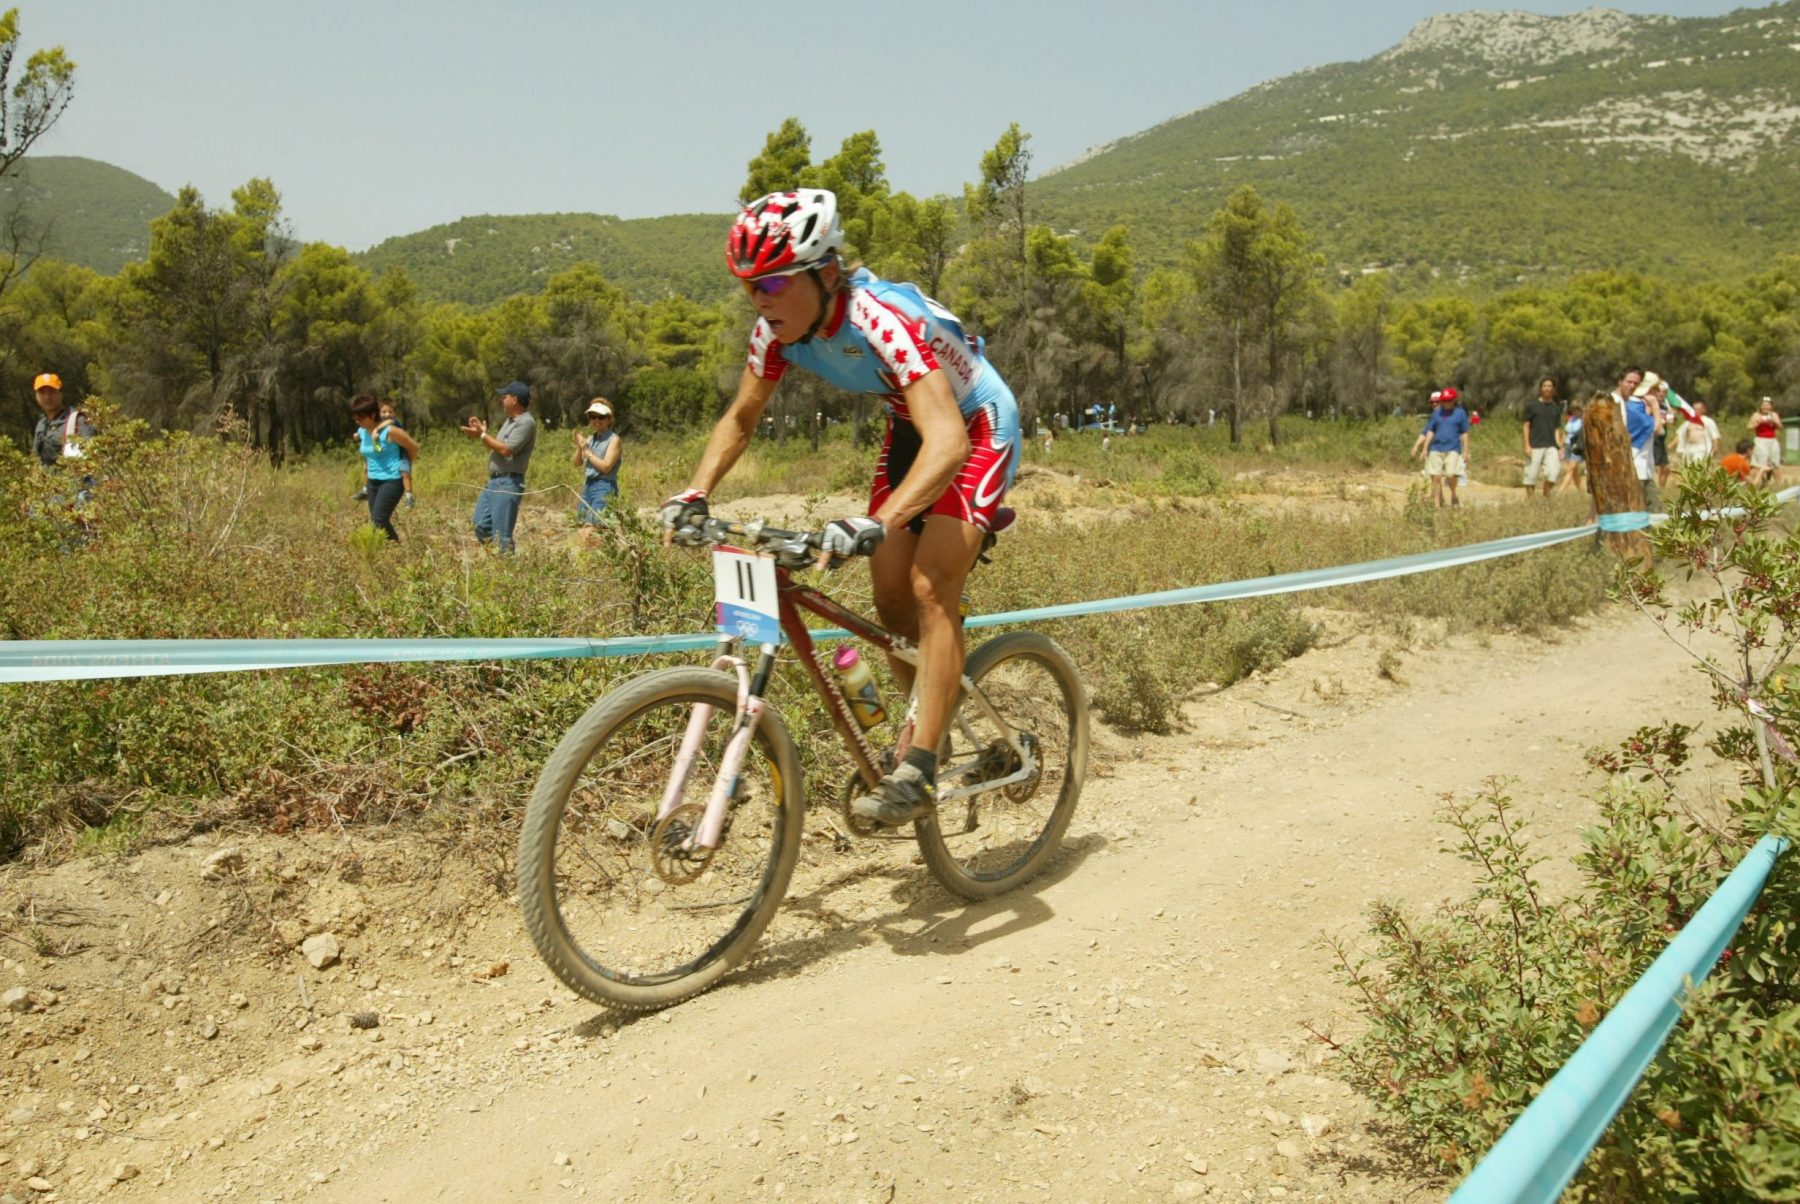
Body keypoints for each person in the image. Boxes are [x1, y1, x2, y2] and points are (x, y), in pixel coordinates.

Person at [660, 189, 1022, 827]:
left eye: (773, 281)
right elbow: (742, 418)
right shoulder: (773, 331)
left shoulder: (880, 317)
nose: (760, 300)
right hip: (912, 426)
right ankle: (918, 730)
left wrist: (874, 523)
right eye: (749, 287)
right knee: (888, 603)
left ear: (826, 272)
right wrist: (695, 492)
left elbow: (950, 441)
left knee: (929, 586)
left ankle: (920, 769)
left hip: (975, 425)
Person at [462, 379, 537, 553]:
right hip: (494, 483)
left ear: (514, 399)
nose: (501, 401)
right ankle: (499, 561)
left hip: (507, 483)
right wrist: (482, 433)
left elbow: (506, 450)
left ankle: (507, 569)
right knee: (480, 524)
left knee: (502, 535)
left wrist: (482, 435)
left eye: (504, 397)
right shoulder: (510, 421)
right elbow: (496, 444)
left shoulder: (526, 422)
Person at [350, 394, 418, 541]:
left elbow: (413, 447)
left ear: (372, 414)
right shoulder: (362, 431)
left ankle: (396, 548)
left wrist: (405, 464)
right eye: (355, 418)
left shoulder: (390, 431)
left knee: (378, 521)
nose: (357, 421)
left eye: (361, 418)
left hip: (392, 480)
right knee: (379, 522)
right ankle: (392, 549)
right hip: (373, 482)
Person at [1411, 387, 1469, 508]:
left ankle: (1452, 494)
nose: (1436, 404)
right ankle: (1438, 505)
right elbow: (1428, 432)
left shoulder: (1460, 413)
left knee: (1451, 474)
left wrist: (1466, 450)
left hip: (1452, 448)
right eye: (1433, 402)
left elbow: (1464, 432)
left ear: (1453, 400)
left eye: (1438, 401)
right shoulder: (1436, 414)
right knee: (1435, 477)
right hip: (1435, 448)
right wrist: (1422, 447)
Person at [1612, 368, 1658, 510]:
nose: (1632, 386)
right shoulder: (1628, 405)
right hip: (1632, 466)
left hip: (1640, 467)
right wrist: (1655, 407)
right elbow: (1657, 429)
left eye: (1635, 383)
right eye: (1628, 382)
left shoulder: (1630, 405)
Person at [572, 398, 621, 525]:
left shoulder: (614, 440)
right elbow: (576, 463)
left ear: (609, 419)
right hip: (588, 485)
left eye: (601, 417)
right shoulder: (591, 439)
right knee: (582, 522)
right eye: (593, 417)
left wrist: (588, 452)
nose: (596, 420)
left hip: (604, 486)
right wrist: (580, 446)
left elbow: (606, 467)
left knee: (597, 526)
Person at [30, 373, 95, 468]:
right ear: (36, 396)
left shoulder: (78, 420)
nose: (47, 397)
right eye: (42, 392)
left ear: (61, 394)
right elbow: (34, 458)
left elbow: (92, 455)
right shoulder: (41, 424)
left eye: (52, 391)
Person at [1520, 376, 1564, 497]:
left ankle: (1546, 497)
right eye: (1544, 386)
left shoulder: (1556, 408)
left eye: (1549, 386)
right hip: (1535, 445)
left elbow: (1556, 428)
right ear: (1540, 388)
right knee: (1531, 476)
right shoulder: (1532, 406)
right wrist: (1527, 446)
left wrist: (1559, 446)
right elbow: (1526, 426)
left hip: (1551, 446)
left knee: (1553, 473)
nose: (1547, 388)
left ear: (1553, 389)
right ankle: (1531, 502)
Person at [380, 401, 416, 507]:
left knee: (405, 473)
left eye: (390, 411)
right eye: (384, 412)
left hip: (401, 454)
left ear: (394, 414)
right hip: (387, 457)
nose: (387, 414)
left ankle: (409, 497)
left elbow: (388, 424)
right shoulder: (378, 426)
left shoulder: (394, 423)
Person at [1749, 397, 1785, 487]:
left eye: (1768, 405)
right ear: (1761, 406)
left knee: (1775, 463)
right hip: (1760, 440)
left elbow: (1780, 427)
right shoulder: (1756, 415)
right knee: (1761, 463)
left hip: (1772, 440)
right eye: (1764, 405)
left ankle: (1778, 484)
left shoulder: (1774, 415)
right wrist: (1757, 423)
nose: (1766, 407)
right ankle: (1761, 482)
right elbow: (1749, 427)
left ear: (1771, 406)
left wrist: (1775, 422)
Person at [1674, 399, 1718, 466]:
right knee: (1688, 468)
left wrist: (1715, 449)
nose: (1696, 411)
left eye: (1698, 409)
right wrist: (1672, 445)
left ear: (1703, 410)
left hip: (1701, 448)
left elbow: (1715, 436)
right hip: (1689, 448)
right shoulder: (1689, 421)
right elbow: (1680, 434)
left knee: (1697, 466)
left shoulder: (1708, 421)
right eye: (1695, 409)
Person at [1558, 404, 1586, 494]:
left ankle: (1560, 491)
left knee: (1570, 469)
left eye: (1576, 410)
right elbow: (1566, 431)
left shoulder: (1584, 420)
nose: (1574, 412)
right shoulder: (1571, 419)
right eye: (1573, 410)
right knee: (1574, 471)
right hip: (1568, 445)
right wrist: (1561, 445)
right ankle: (1581, 491)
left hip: (1577, 447)